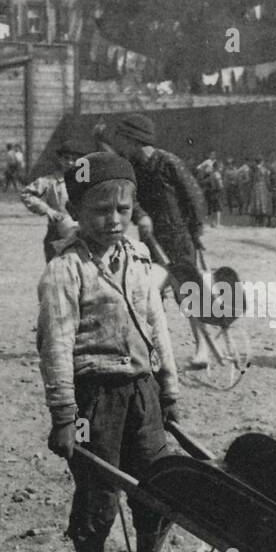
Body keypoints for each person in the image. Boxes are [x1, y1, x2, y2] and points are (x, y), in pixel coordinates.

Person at [38, 151, 191, 552]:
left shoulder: (138, 258)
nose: (113, 220)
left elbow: (156, 322)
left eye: (123, 210)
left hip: (141, 389)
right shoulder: (65, 271)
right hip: (95, 399)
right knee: (99, 490)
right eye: (100, 210)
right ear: (77, 212)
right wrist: (64, 416)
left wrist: (169, 386)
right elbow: (56, 347)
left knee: (161, 481)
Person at [109, 113, 212, 368]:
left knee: (189, 293)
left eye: (122, 138)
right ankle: (153, 349)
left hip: (179, 239)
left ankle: (203, 349)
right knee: (149, 291)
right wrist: (141, 216)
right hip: (151, 241)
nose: (120, 144)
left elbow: (194, 196)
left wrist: (197, 233)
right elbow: (130, 198)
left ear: (134, 139)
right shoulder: (131, 168)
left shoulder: (168, 162)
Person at [22, 138, 84, 262]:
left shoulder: (85, 182)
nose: (70, 162)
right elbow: (26, 194)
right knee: (56, 272)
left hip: (82, 234)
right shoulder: (50, 181)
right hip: (56, 235)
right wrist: (48, 210)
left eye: (74, 159)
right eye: (66, 158)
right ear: (60, 159)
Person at [248, 156, 272, 225]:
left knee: (256, 202)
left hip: (255, 187)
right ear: (261, 161)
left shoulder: (253, 169)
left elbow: (251, 179)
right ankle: (262, 219)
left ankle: (257, 220)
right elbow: (267, 180)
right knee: (263, 202)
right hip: (263, 187)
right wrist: (269, 188)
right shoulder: (264, 170)